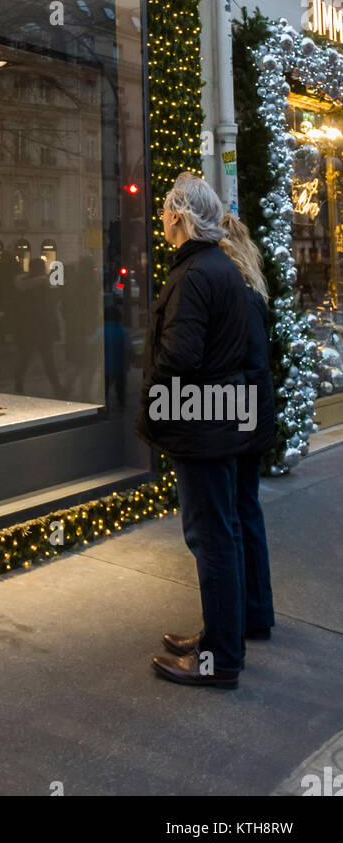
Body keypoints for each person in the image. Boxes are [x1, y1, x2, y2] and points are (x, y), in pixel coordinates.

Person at [137, 173, 252, 689]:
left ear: (179, 217)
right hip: (218, 418)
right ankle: (220, 639)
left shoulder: (195, 274)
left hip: (201, 423)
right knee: (218, 533)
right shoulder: (220, 266)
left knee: (210, 538)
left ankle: (219, 658)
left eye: (166, 212)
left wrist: (153, 392)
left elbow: (179, 357)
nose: (162, 220)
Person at [13, 258, 63, 395]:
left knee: (23, 358)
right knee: (48, 360)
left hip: (25, 328)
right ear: (41, 269)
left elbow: (16, 309)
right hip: (43, 328)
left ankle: (18, 386)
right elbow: (50, 308)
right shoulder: (45, 285)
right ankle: (57, 388)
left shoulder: (19, 285)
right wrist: (56, 328)